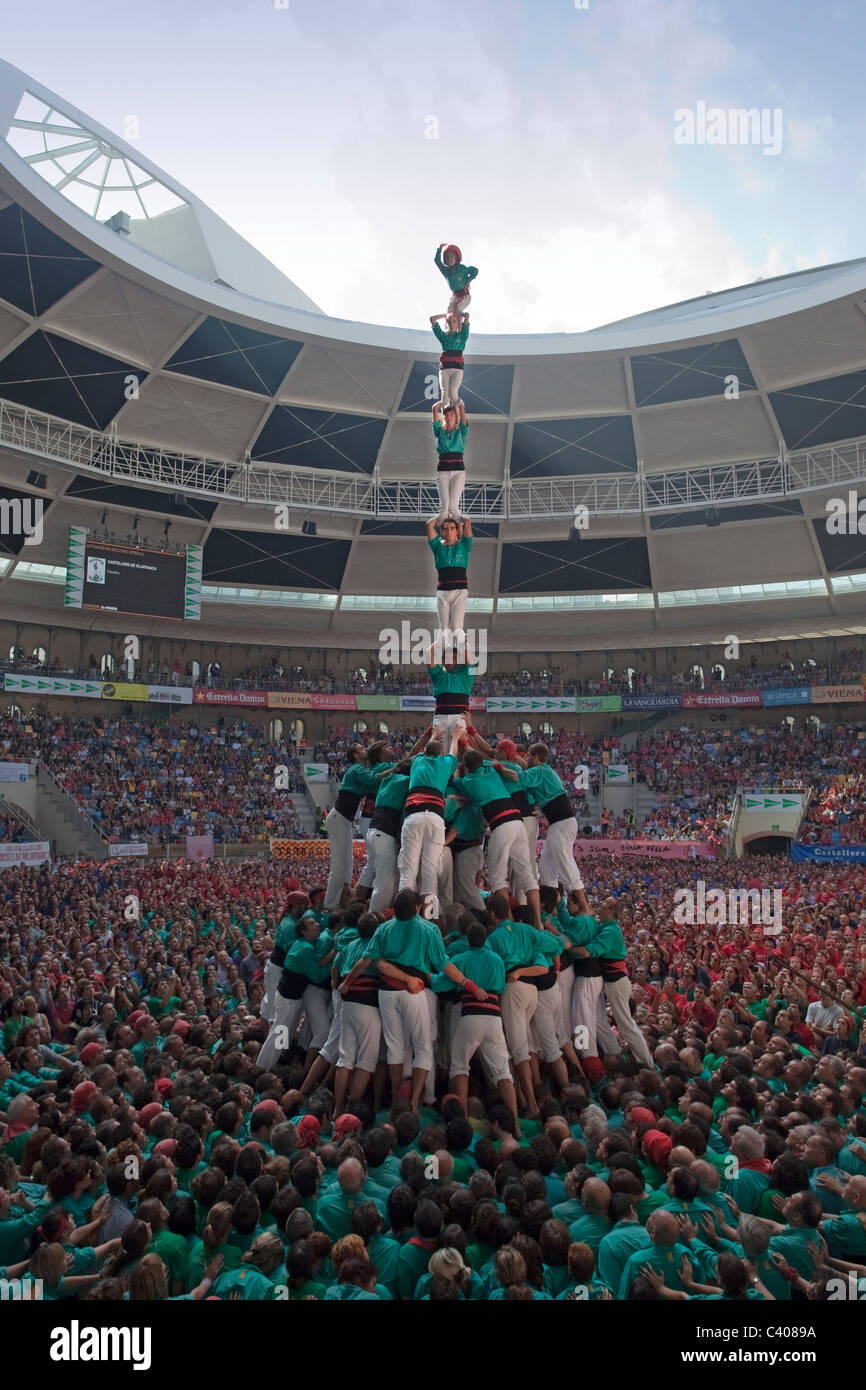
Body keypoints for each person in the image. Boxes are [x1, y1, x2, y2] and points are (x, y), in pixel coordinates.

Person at [398, 726, 461, 918]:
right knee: (429, 872)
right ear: (440, 754)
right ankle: (430, 918)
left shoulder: (417, 761)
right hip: (435, 819)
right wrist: (455, 737)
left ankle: (403, 915)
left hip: (412, 818)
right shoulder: (445, 763)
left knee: (408, 871)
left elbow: (426, 750)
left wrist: (435, 735)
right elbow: (453, 751)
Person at [325, 746, 382, 910]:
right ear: (356, 755)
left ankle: (342, 897)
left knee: (347, 863)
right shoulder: (356, 769)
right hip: (339, 818)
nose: (366, 750)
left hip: (343, 820)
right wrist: (396, 768)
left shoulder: (360, 769)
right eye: (362, 749)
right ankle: (330, 903)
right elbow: (374, 779)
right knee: (339, 865)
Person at [426, 515, 473, 648]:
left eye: (452, 528)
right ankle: (445, 658)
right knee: (444, 628)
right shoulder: (437, 548)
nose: (449, 531)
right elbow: (429, 525)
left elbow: (467, 522)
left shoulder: (464, 546)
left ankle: (464, 657)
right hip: (442, 592)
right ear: (441, 532)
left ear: (457, 531)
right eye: (445, 529)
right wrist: (443, 514)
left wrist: (456, 515)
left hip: (460, 592)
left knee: (458, 628)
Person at [432, 399, 468, 525]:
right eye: (446, 415)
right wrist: (441, 402)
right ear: (444, 417)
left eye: (451, 414)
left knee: (453, 505)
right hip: (443, 471)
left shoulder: (461, 432)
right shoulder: (439, 432)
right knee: (444, 506)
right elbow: (434, 409)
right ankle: (444, 535)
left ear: (456, 416)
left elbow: (462, 411)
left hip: (458, 471)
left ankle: (461, 532)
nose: (449, 417)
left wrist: (458, 401)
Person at [430, 309, 469, 409]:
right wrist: (444, 315)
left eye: (454, 321)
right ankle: (446, 420)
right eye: (449, 322)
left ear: (458, 323)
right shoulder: (443, 337)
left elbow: (467, 317)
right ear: (447, 323)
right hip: (444, 368)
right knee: (444, 394)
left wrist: (461, 314)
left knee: (453, 393)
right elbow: (432, 319)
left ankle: (460, 410)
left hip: (457, 369)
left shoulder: (462, 336)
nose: (452, 324)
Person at [434, 242, 478, 316]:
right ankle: (450, 326)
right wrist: (440, 249)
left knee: (458, 309)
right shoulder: (446, 271)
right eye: (447, 257)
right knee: (450, 312)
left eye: (452, 256)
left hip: (465, 295)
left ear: (456, 258)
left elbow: (475, 270)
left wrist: (468, 281)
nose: (449, 259)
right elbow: (437, 261)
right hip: (455, 295)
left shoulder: (462, 268)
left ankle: (463, 322)